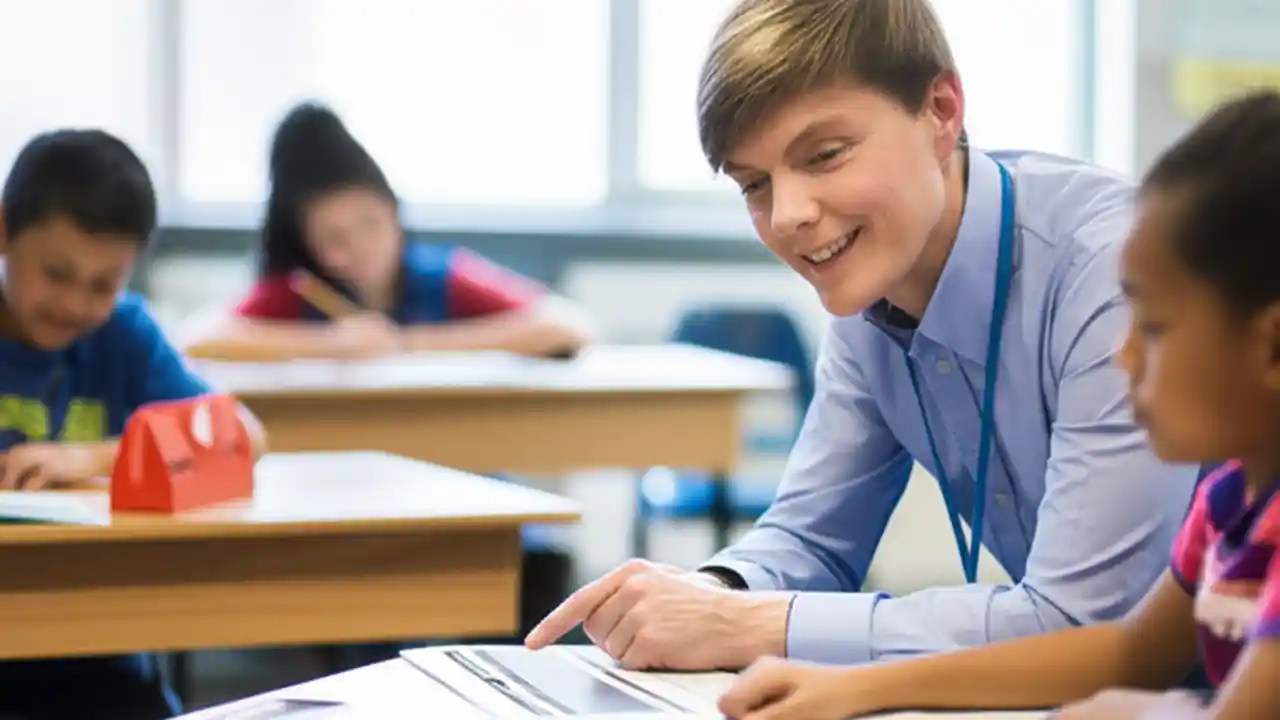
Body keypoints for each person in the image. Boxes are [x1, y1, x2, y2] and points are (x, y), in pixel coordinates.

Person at [525, 0, 1197, 670]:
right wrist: (709, 593)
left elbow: (1084, 620)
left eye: (824, 156)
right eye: (754, 184)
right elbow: (812, 542)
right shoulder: (872, 284)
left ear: (940, 109)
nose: (787, 217)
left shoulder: (1115, 270)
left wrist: (755, 624)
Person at [717, 88, 1280, 720]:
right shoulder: (1231, 503)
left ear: (1271, 348)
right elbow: (1124, 651)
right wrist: (858, 688)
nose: (1122, 358)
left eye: (1152, 327)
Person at [0, 129, 267, 718]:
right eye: (56, 273)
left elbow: (245, 433)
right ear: (4, 231)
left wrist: (93, 457)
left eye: (103, 284)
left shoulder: (123, 333)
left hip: (93, 629)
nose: (74, 303)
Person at [180, 102, 593, 361]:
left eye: (370, 224)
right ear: (307, 244)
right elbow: (197, 339)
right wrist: (333, 346)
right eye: (334, 239)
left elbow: (566, 325)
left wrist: (408, 344)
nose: (360, 249)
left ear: (394, 213)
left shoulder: (440, 277)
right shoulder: (299, 293)